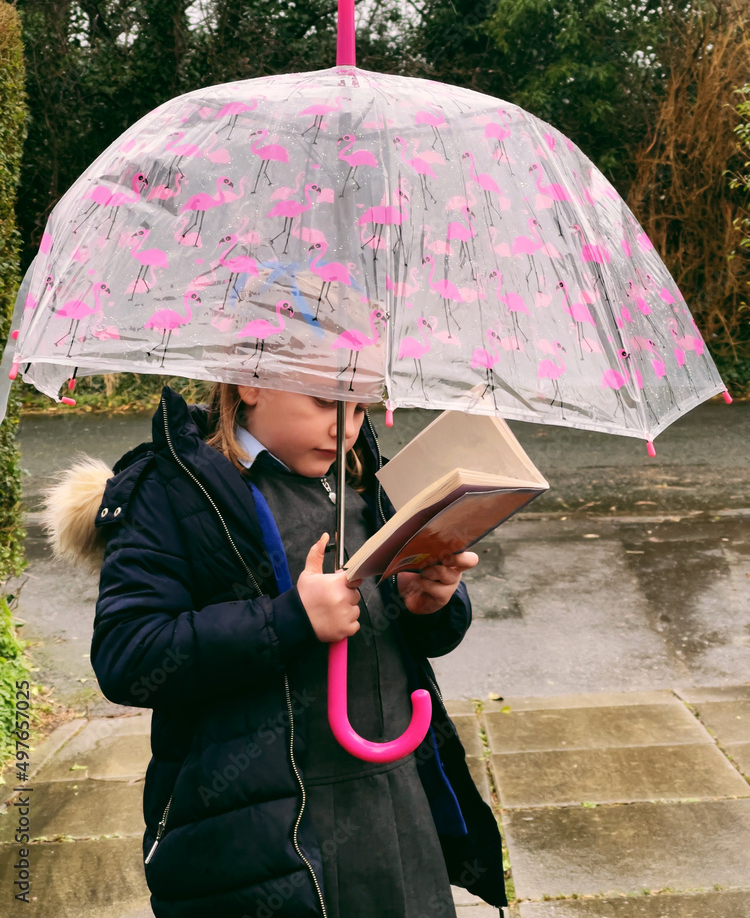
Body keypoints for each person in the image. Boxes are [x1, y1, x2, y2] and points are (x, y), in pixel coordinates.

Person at [45, 382, 507, 918]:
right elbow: (131, 655)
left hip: (394, 803)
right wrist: (290, 619)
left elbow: (399, 631)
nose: (348, 428)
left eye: (361, 408)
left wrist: (425, 603)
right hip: (258, 824)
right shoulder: (171, 491)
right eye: (326, 403)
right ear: (254, 382)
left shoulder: (359, 482)